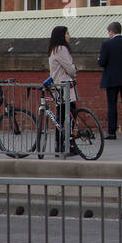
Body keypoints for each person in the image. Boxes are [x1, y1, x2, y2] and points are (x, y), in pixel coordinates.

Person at [47, 25, 78, 154]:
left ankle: (59, 145)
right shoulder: (61, 49)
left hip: (58, 87)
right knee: (70, 116)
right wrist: (75, 69)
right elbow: (70, 69)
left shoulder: (53, 49)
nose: (69, 36)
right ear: (61, 36)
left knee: (60, 118)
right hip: (64, 87)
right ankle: (68, 145)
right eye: (67, 33)